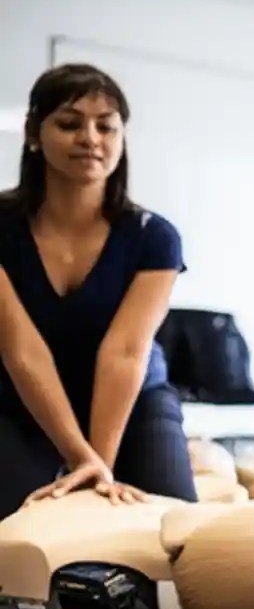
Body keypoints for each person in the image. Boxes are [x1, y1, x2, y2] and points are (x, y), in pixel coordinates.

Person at [0, 63, 197, 520]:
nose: (90, 138)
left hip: (132, 397)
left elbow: (126, 352)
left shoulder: (155, 236)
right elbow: (21, 351)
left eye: (106, 126)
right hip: (19, 396)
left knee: (172, 523)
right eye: (70, 124)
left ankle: (200, 456)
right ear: (33, 133)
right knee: (16, 521)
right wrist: (77, 453)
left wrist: (97, 468)